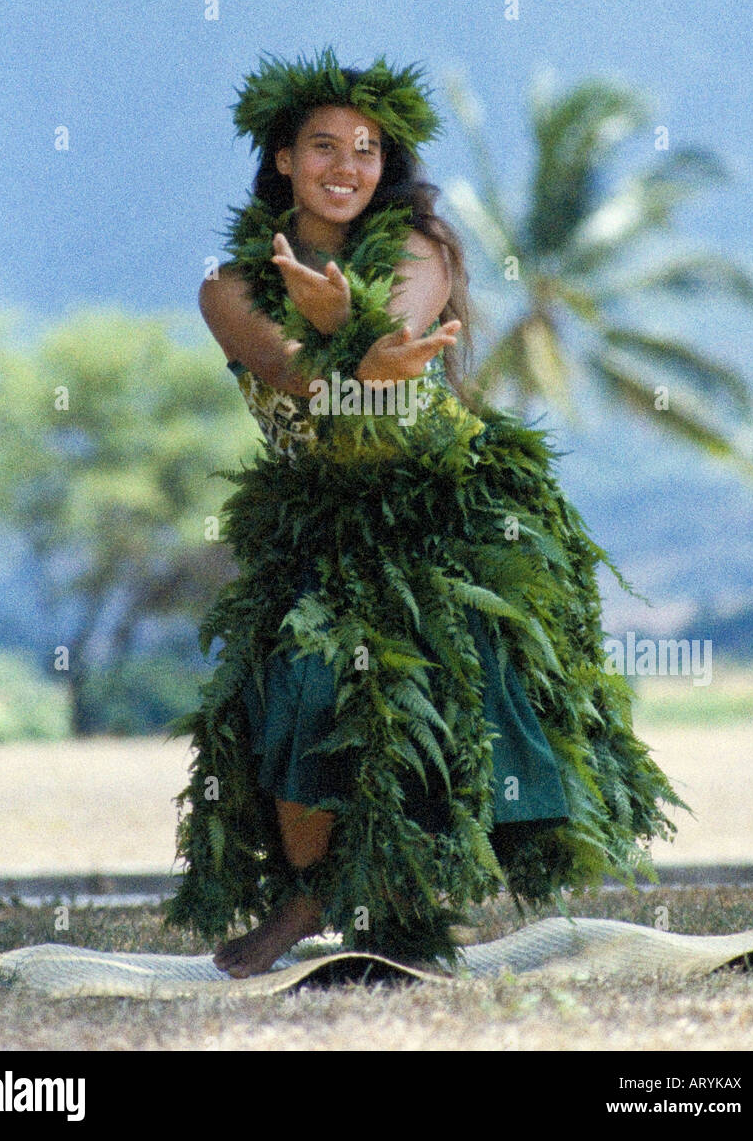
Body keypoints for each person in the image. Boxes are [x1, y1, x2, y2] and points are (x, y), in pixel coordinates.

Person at [166, 48, 685, 976]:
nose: (346, 167)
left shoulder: (419, 248)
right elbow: (290, 372)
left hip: (449, 506)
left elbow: (394, 341)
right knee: (298, 684)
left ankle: (364, 904)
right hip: (321, 516)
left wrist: (354, 339)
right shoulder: (230, 288)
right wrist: (338, 343)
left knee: (436, 702)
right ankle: (318, 892)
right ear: (282, 159)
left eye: (366, 150)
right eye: (322, 146)